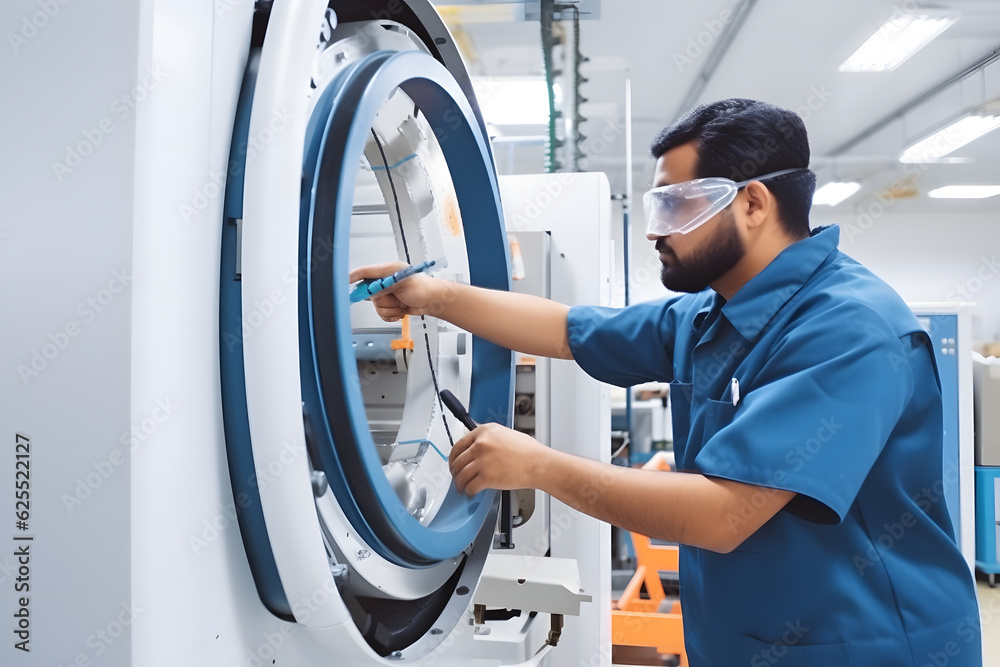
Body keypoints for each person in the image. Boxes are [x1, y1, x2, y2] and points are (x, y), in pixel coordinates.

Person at [350, 98, 983, 666]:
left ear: (754, 204)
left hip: (865, 646)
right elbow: (568, 331)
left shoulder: (851, 330)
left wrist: (540, 467)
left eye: (675, 205)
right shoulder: (712, 314)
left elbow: (726, 515)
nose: (655, 229)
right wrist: (430, 295)